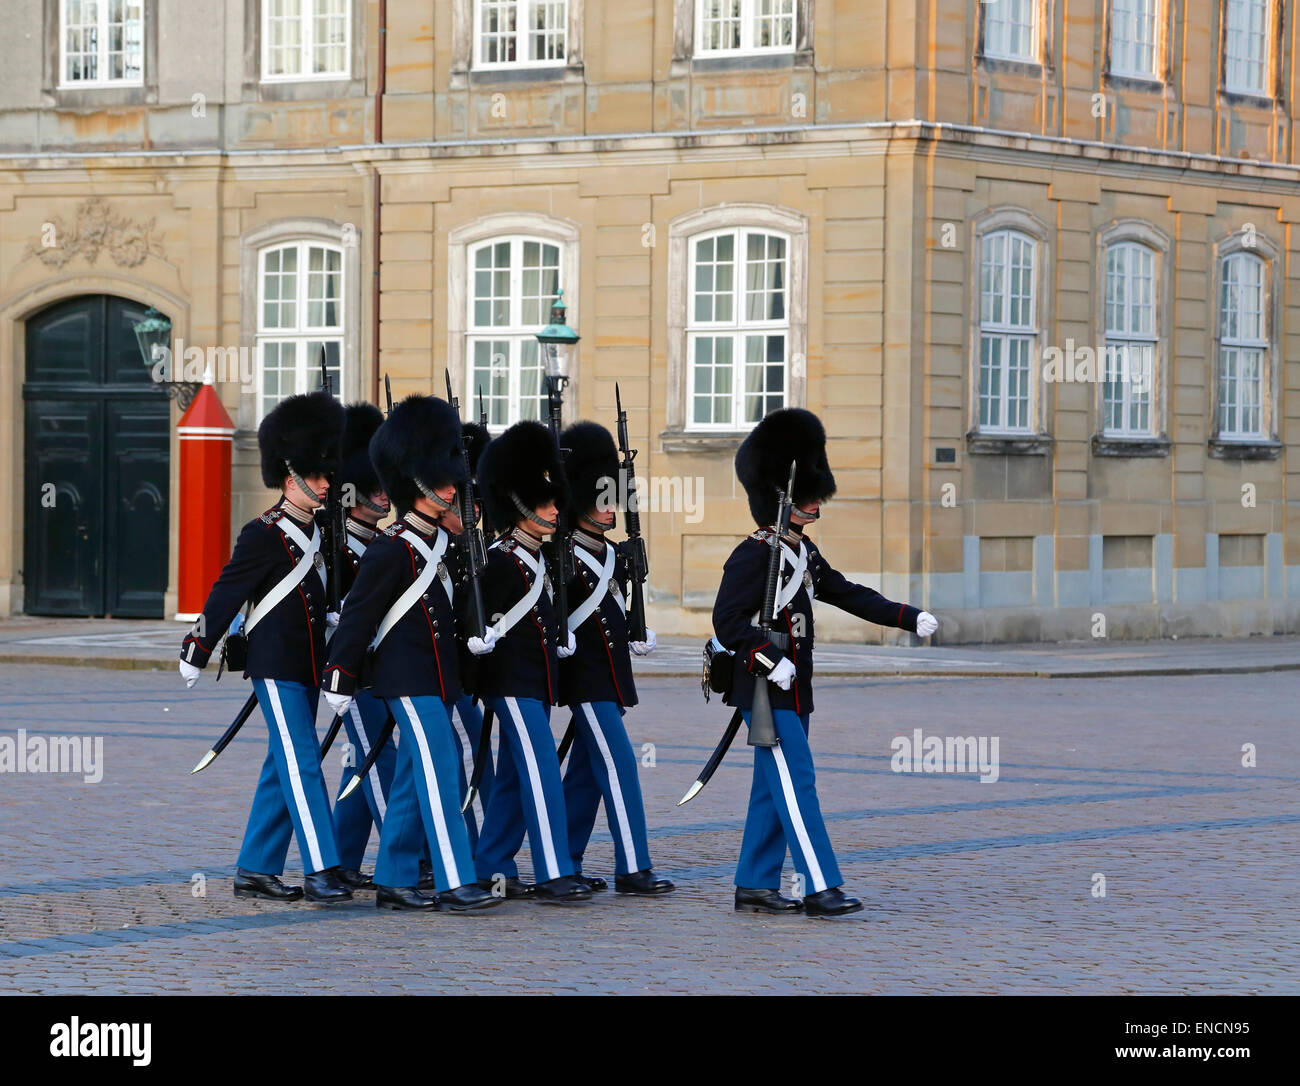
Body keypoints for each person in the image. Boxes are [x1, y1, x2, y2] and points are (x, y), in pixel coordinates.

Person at [713, 408, 939, 918]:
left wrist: (907, 616)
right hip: (765, 690)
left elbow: (846, 593)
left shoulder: (801, 550)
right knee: (798, 782)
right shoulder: (753, 555)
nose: (815, 503)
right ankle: (819, 885)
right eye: (806, 493)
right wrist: (768, 659)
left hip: (795, 689)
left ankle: (754, 882)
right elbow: (728, 622)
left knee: (773, 791)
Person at [320, 395, 500, 914]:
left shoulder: (440, 544)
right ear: (417, 483)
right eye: (444, 481)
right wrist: (339, 673)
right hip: (405, 679)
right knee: (443, 768)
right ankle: (453, 880)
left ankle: (395, 878)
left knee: (409, 780)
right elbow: (358, 616)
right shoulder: (392, 546)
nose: (453, 489)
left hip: (436, 676)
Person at [178, 391, 353, 905]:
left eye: (328, 473)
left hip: (309, 663)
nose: (327, 483)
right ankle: (322, 867)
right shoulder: (262, 533)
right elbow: (227, 590)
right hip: (274, 663)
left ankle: (255, 868)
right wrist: (198, 644)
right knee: (302, 761)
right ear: (290, 473)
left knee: (283, 764)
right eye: (318, 474)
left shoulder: (322, 531)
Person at [467, 420, 591, 905]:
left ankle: (491, 864)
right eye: (546, 502)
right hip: (510, 682)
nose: (556, 509)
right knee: (541, 770)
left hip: (535, 682)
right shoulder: (498, 560)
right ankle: (554, 871)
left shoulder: (540, 556)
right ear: (520, 505)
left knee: (517, 777)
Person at [557, 421, 673, 896]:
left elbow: (613, 614)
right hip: (583, 677)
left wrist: (636, 630)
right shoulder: (561, 553)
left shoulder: (611, 553)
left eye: (613, 498)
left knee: (585, 775)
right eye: (601, 498)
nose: (610, 508)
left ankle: (563, 859)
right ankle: (633, 865)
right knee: (620, 764)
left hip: (609, 676)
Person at [328, 402, 395, 892]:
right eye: (374, 489)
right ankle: (404, 857)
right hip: (349, 667)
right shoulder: (336, 544)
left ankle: (341, 858)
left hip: (383, 664)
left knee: (360, 758)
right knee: (376, 756)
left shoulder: (379, 542)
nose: (384, 496)